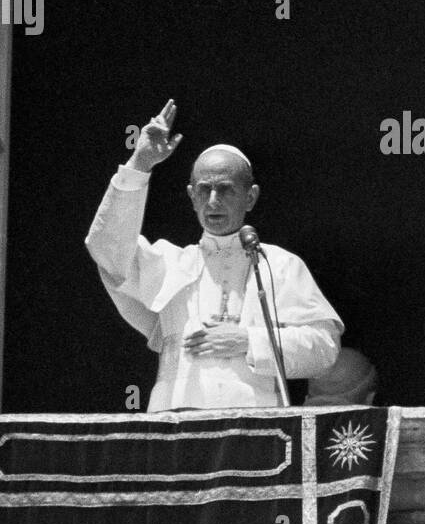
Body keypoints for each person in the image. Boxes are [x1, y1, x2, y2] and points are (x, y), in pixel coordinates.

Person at [86, 99, 343, 410]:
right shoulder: (168, 263)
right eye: (204, 190)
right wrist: (139, 164)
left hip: (258, 427)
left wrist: (249, 340)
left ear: (250, 197)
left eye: (225, 190)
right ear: (191, 197)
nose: (213, 200)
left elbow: (325, 347)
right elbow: (107, 248)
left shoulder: (280, 265)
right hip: (176, 428)